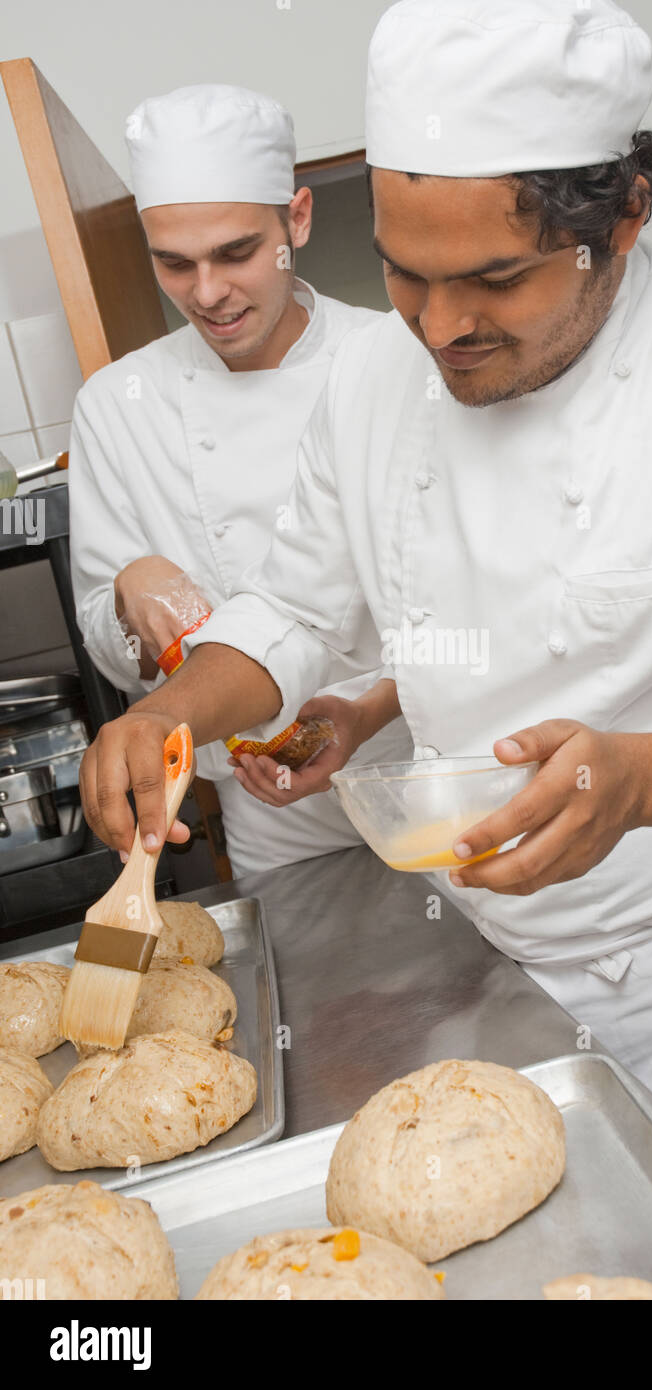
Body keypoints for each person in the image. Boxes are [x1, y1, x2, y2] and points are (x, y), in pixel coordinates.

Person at [79, 1, 652, 1271]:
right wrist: (172, 710)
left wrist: (647, 778)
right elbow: (291, 609)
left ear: (622, 217)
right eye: (402, 271)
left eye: (495, 279)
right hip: (510, 990)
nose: (439, 328)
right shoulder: (370, 384)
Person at [69, 84, 410, 875]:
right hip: (268, 817)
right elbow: (118, 657)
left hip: (418, 763)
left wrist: (370, 710)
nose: (208, 293)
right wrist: (130, 588)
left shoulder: (395, 359)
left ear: (297, 219)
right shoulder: (117, 406)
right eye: (174, 264)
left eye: (235, 253)